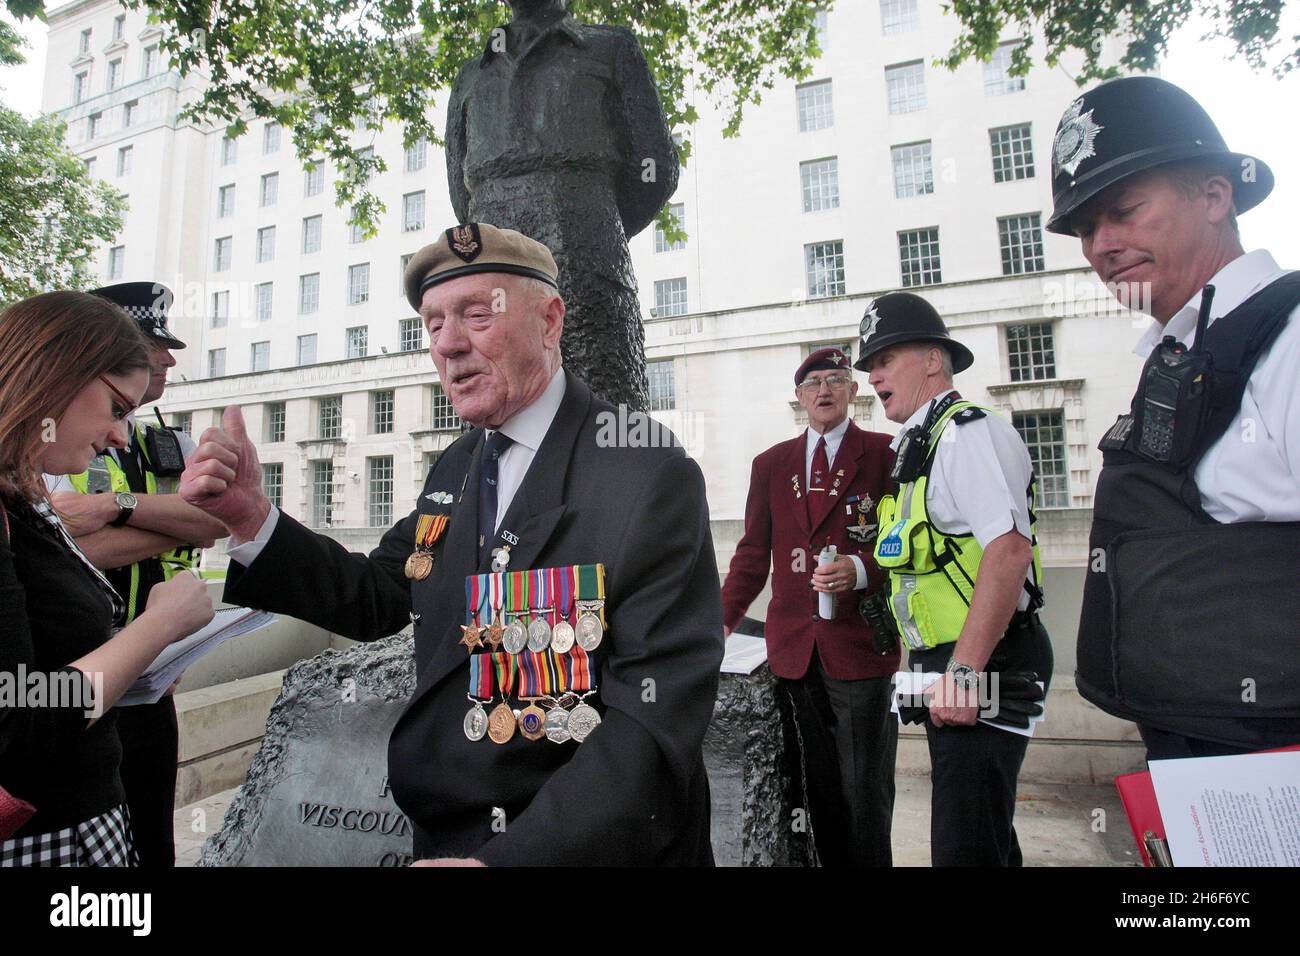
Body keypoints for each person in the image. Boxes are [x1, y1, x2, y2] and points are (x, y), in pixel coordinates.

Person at [180, 223, 724, 865]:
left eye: (477, 315)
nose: (450, 345)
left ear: (550, 320)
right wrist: (253, 521)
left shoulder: (643, 467)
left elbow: (651, 722)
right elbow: (381, 594)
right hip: (449, 839)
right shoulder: (458, 464)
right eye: (433, 324)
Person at [1045, 75, 1300, 757]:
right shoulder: (1182, 350)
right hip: (1205, 761)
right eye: (1086, 227)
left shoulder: (1289, 337)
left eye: (1124, 210)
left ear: (1216, 195)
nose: (1103, 244)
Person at [0, 291, 213, 867]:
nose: (122, 435)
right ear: (57, 374)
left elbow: (213, 520)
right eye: (118, 407)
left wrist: (113, 509)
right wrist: (160, 626)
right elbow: (21, 717)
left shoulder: (26, 497)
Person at [856, 292, 1052, 867]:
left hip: (985, 662)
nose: (873, 376)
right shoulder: (921, 444)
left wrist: (965, 671)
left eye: (886, 358)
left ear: (933, 361)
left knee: (964, 847)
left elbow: (1009, 552)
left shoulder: (965, 434)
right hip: (952, 664)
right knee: (982, 834)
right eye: (870, 364)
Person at [445, 0, 679, 407]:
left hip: (591, 274)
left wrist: (594, 226)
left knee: (609, 420)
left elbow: (655, 168)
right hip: (497, 281)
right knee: (502, 413)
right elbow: (461, 195)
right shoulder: (471, 75)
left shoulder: (611, 49)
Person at [721, 346, 898, 866]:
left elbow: (909, 544)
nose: (824, 390)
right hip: (795, 651)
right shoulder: (771, 464)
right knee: (813, 788)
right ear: (799, 397)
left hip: (859, 646)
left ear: (853, 390)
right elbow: (753, 555)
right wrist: (720, 624)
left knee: (865, 788)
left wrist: (863, 568)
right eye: (813, 382)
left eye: (835, 380)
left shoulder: (886, 454)